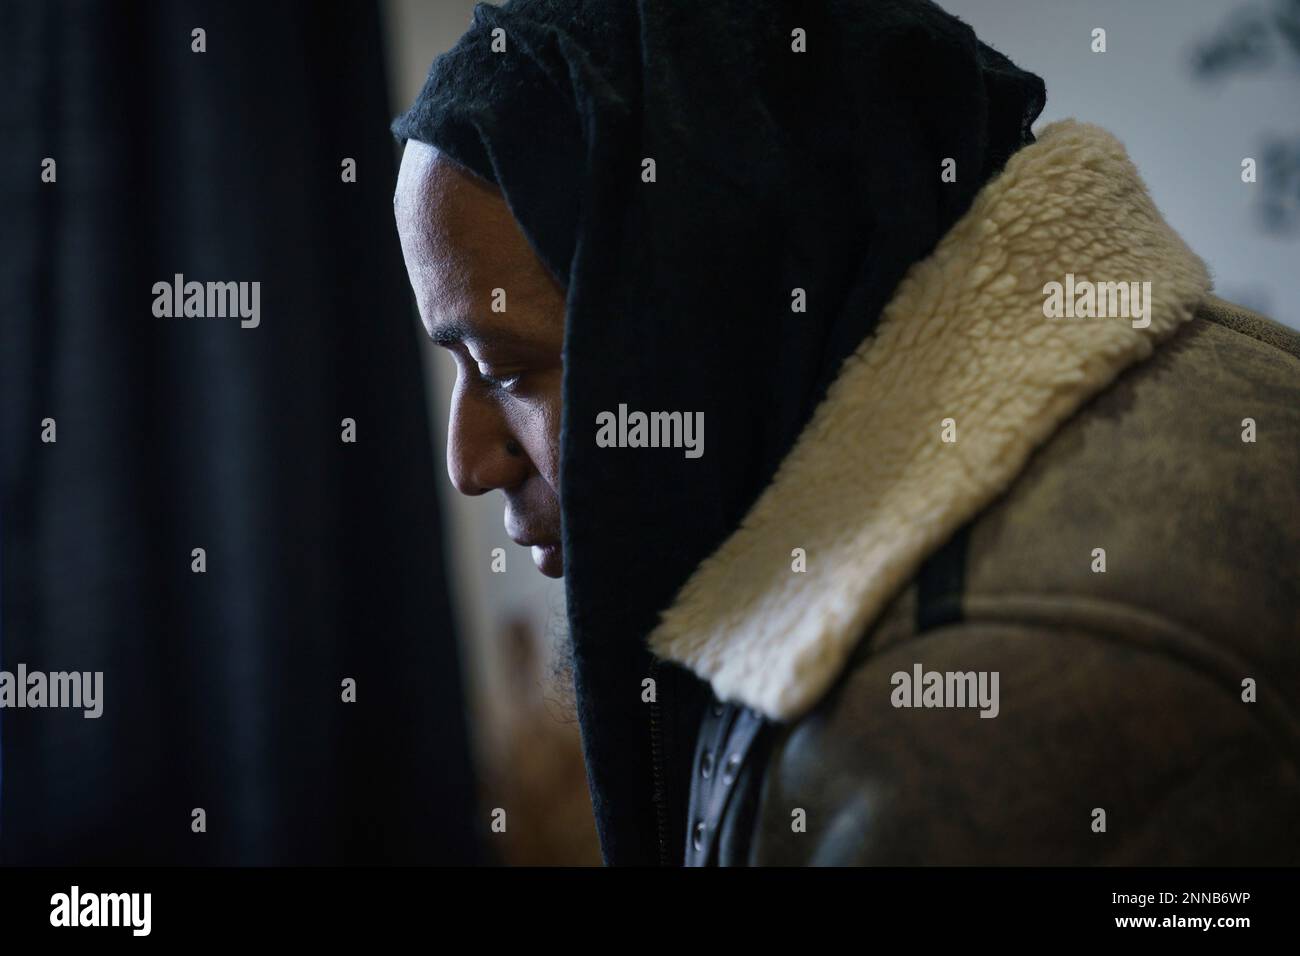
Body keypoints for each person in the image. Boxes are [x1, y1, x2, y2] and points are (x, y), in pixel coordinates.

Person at [392, 0, 1300, 865]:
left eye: (506, 367)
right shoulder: (1226, 375)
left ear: (718, 306)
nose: (467, 463)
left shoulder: (943, 727)